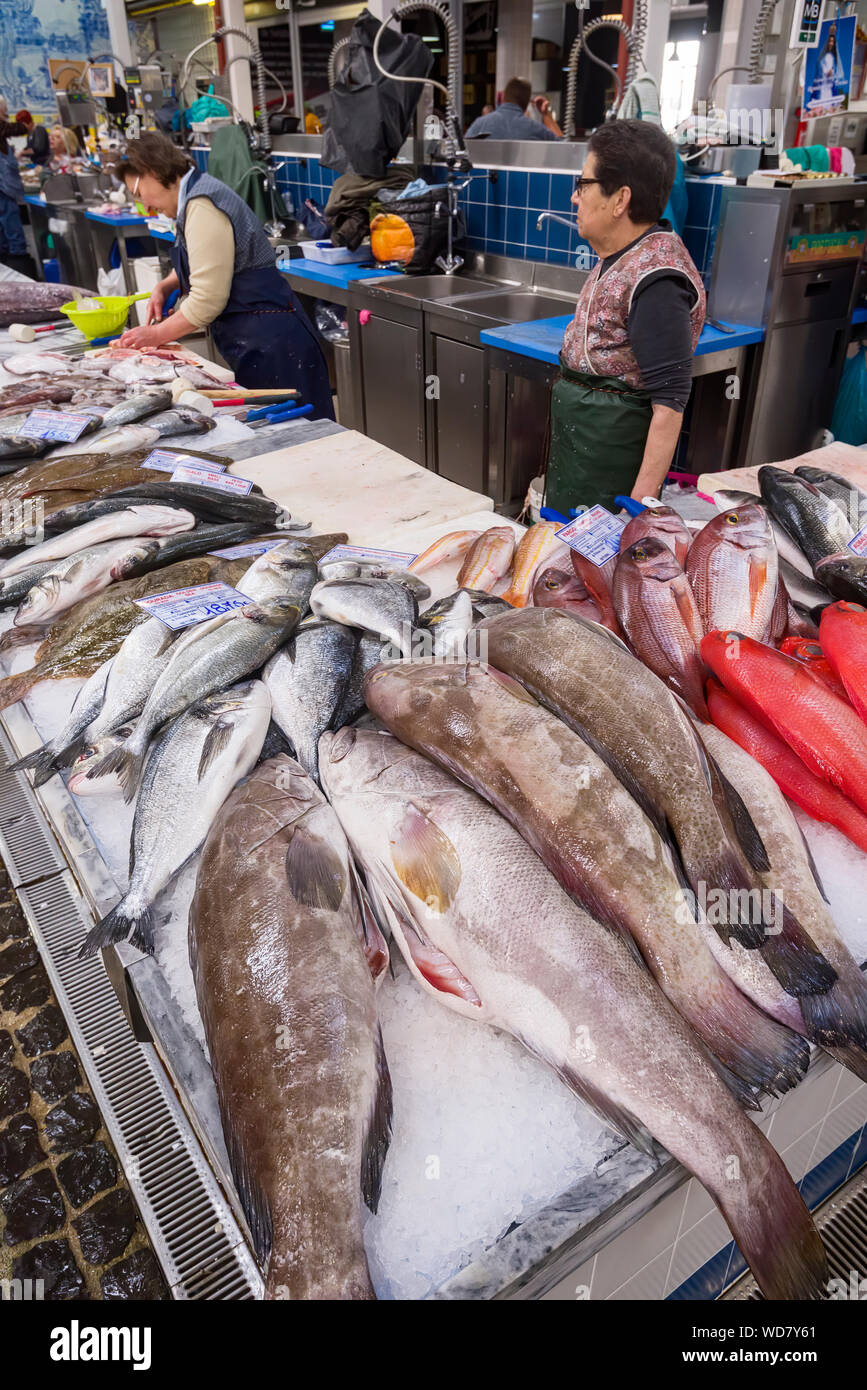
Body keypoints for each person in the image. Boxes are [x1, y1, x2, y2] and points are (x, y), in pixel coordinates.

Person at [545, 120, 706, 512]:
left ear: (620, 200)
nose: (574, 198)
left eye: (583, 185)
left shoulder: (658, 279)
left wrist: (636, 510)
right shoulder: (623, 254)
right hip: (580, 455)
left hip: (613, 477)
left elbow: (670, 405)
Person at [114, 132, 333, 415]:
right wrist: (167, 285)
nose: (144, 206)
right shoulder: (193, 198)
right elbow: (210, 260)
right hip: (259, 340)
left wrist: (155, 334)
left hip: (273, 346)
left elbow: (206, 302)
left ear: (153, 172)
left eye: (138, 193)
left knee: (301, 437)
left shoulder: (202, 204)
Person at [465, 77, 562, 140]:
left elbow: (462, 153)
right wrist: (546, 115)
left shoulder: (480, 124)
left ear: (503, 97)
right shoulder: (536, 129)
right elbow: (563, 149)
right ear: (527, 104)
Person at [0, 97, 29, 268]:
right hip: (3, 187)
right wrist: (24, 123)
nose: (5, 112)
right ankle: (19, 262)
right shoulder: (2, 126)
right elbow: (19, 128)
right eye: (4, 109)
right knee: (9, 220)